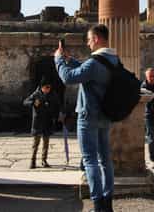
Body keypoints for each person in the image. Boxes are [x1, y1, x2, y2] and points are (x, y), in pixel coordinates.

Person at [55, 24, 117, 212]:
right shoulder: (113, 59)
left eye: (89, 39)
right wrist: (70, 59)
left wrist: (58, 61)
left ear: (97, 38)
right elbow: (87, 71)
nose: (88, 43)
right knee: (105, 160)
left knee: (90, 160)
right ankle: (107, 204)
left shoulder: (94, 62)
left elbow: (69, 78)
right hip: (105, 115)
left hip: (88, 114)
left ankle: (97, 205)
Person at [23, 77, 59, 169]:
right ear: (42, 87)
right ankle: (33, 161)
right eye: (46, 87)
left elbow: (57, 105)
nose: (48, 89)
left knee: (46, 143)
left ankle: (44, 160)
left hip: (47, 122)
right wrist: (33, 103)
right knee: (36, 143)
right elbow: (25, 102)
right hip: (38, 122)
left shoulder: (52, 94)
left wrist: (58, 115)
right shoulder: (36, 94)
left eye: (49, 87)